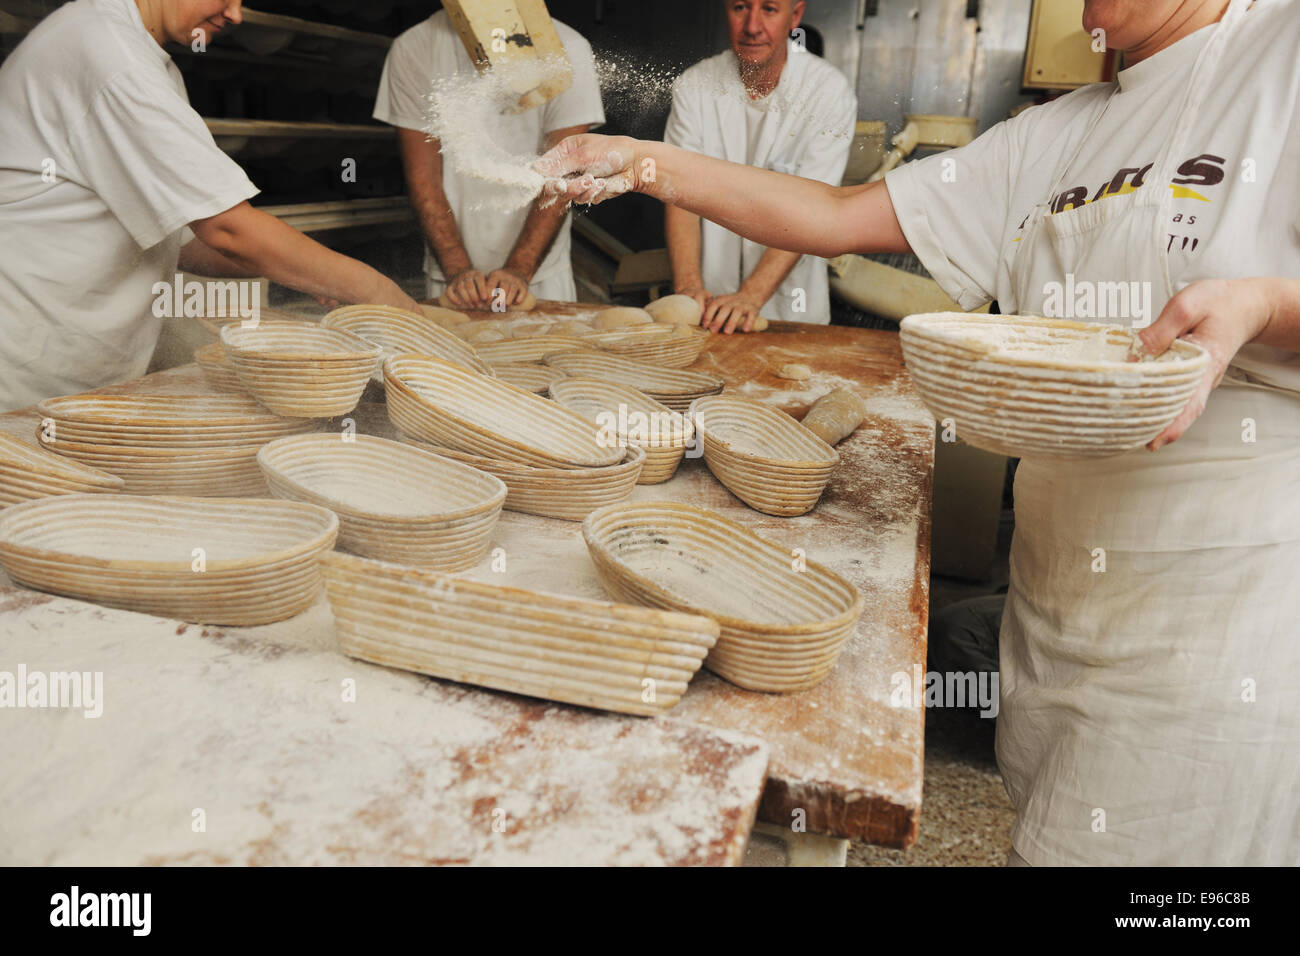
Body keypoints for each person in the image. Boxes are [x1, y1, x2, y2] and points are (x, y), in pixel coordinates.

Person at [538, 0, 1300, 866]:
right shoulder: (1055, 133)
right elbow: (833, 214)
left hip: (1235, 597)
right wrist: (638, 160)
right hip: (1066, 589)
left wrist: (1266, 307)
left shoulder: (1284, 53)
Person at [0, 0, 421, 413]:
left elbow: (183, 239)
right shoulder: (105, 49)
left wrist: (314, 276)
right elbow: (228, 230)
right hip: (30, 368)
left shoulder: (148, 61)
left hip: (83, 367)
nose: (236, 14)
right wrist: (375, 289)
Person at [373, 8, 604, 311]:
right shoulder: (416, 48)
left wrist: (519, 270)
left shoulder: (570, 48)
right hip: (450, 279)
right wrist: (457, 271)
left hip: (541, 277)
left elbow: (564, 174)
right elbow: (423, 177)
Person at [664, 0, 855, 333]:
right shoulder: (694, 86)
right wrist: (688, 287)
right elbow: (678, 193)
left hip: (792, 313)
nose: (752, 26)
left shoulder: (827, 92)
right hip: (707, 309)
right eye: (740, 7)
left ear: (794, 15)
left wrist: (751, 296)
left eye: (769, 9)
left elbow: (811, 209)